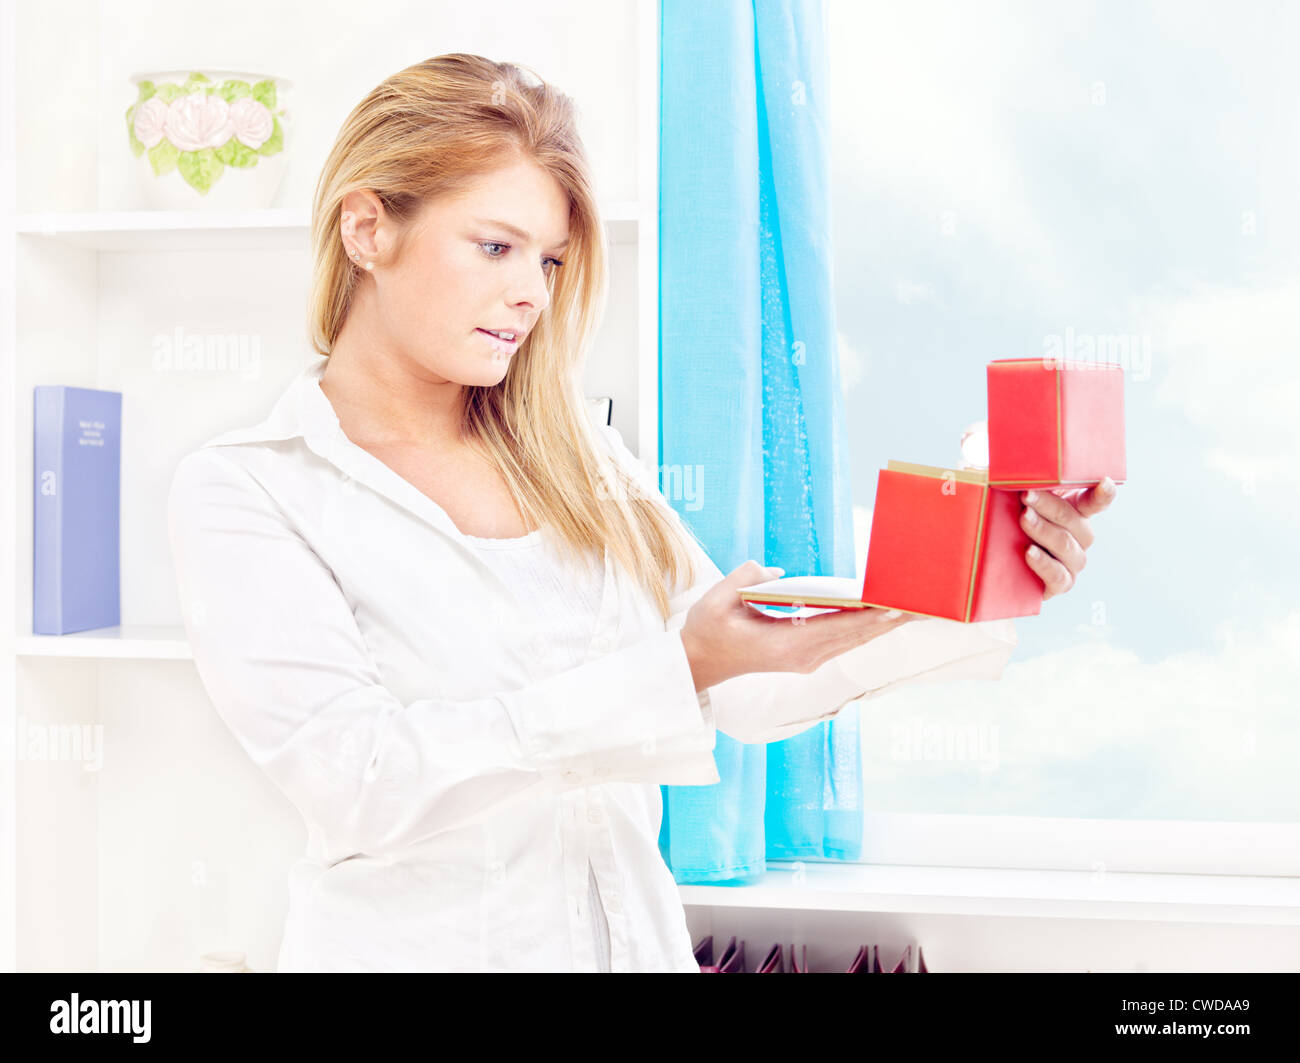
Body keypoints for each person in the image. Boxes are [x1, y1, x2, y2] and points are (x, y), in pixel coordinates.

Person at [165, 53, 1115, 973]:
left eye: (548, 257)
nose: (531, 292)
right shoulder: (251, 491)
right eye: (495, 246)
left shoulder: (578, 453)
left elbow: (751, 684)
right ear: (367, 229)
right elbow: (364, 781)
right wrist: (679, 666)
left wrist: (972, 566)